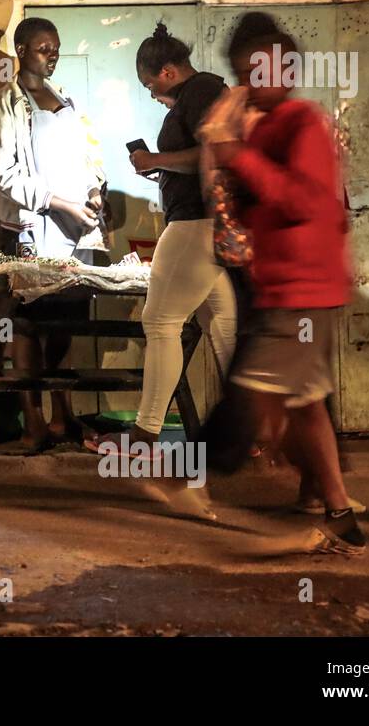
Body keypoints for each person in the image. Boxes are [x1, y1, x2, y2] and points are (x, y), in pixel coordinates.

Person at [200, 18, 365, 554]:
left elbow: (307, 203)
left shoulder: (304, 122)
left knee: (248, 394)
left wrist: (237, 157)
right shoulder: (262, 127)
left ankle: (181, 475)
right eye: (242, 74)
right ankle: (339, 515)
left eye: (260, 70)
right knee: (307, 403)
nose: (250, 82)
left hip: (303, 288)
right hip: (281, 283)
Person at [0, 17, 109, 448]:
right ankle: (32, 417)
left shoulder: (68, 101)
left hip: (74, 234)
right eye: (43, 48)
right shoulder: (4, 104)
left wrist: (93, 190)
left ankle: (63, 415)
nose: (51, 55)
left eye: (55, 48)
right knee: (28, 325)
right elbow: (2, 174)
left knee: (65, 323)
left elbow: (91, 155)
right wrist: (58, 203)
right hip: (31, 230)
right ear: (21, 50)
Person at [112, 23, 237, 450]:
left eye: (149, 83)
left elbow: (213, 154)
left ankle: (145, 434)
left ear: (167, 71)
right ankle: (252, 436)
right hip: (211, 226)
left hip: (194, 226)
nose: (150, 93)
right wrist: (162, 168)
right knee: (222, 327)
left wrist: (154, 158)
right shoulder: (204, 93)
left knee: (160, 322)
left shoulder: (200, 91)